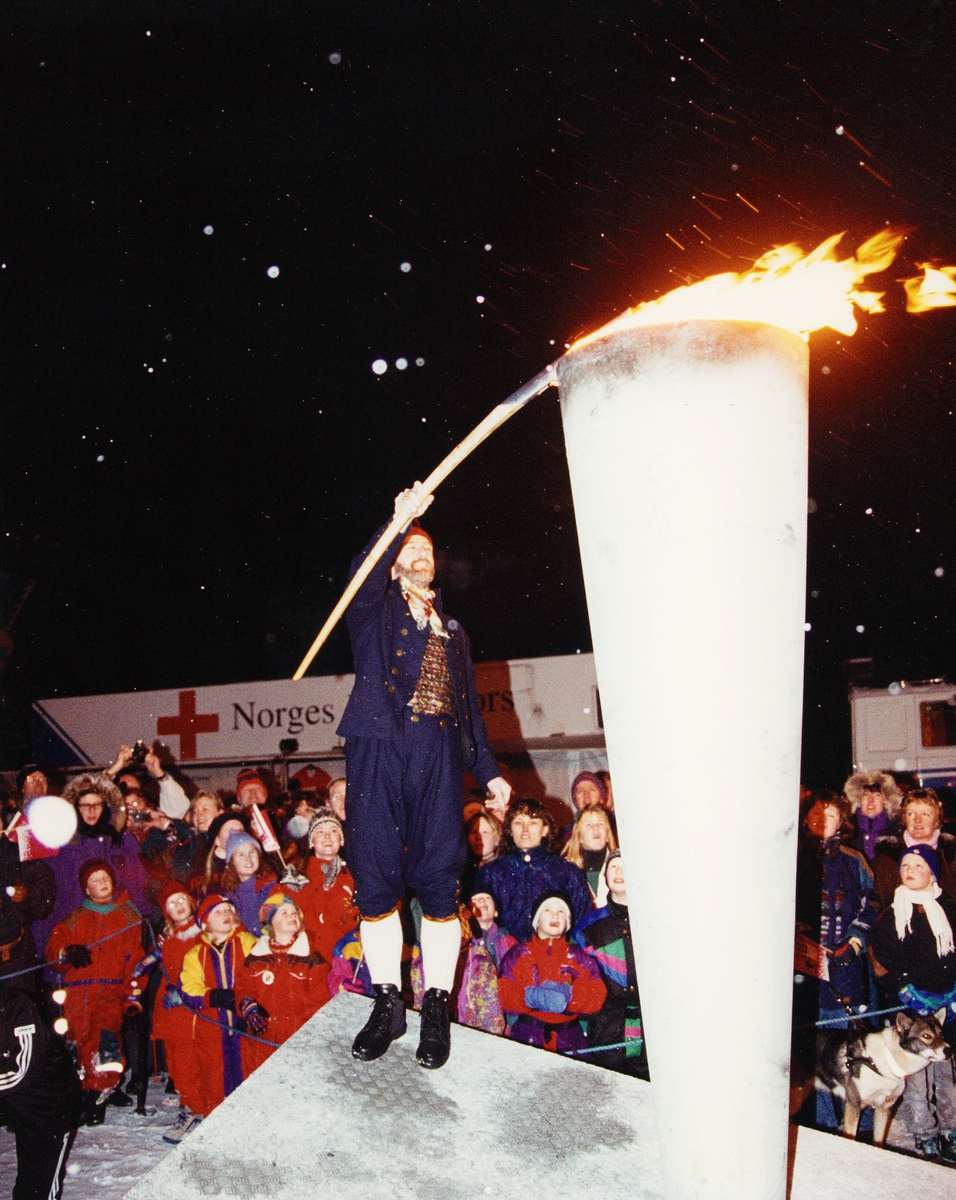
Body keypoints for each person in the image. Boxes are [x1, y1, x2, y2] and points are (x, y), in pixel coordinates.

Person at [336, 483, 512, 1069]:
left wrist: (488, 773)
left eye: (426, 549)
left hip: (437, 753)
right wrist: (397, 521)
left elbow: (467, 715)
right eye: (410, 547)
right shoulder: (374, 612)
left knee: (440, 881)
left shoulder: (454, 633)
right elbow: (363, 577)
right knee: (378, 881)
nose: (420, 554)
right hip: (380, 749)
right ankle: (387, 1003)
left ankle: (436, 1007)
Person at [791, 791, 880, 1129]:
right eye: (816, 815)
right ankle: (825, 1121)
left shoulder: (853, 860)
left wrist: (853, 943)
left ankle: (861, 1118)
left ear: (842, 821)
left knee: (851, 1046)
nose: (822, 822)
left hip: (846, 969)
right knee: (815, 1049)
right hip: (806, 972)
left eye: (830, 816)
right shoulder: (794, 861)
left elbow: (870, 904)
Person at [870, 844, 956, 1160]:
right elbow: (879, 957)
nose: (909, 871)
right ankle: (924, 1133)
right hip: (912, 1009)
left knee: (946, 1074)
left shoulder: (949, 908)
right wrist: (902, 989)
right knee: (917, 1079)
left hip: (947, 1008)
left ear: (931, 872)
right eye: (905, 865)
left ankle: (950, 1130)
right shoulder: (893, 914)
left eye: (917, 866)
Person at [45, 860, 144, 1125]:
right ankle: (87, 1089)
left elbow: (136, 961)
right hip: (79, 993)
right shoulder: (75, 917)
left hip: (110, 992)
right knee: (79, 1041)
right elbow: (54, 950)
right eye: (94, 880)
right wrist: (67, 953)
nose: (101, 883)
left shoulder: (128, 916)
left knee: (106, 1043)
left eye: (105, 878)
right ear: (87, 891)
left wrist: (132, 996)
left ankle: (100, 1094)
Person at [35, 774, 147, 957]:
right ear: (75, 807)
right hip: (72, 928)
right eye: (85, 806)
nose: (92, 811)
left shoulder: (120, 839)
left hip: (113, 929)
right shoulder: (61, 842)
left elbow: (137, 883)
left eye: (97, 805)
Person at [131, 881, 204, 1142]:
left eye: (182, 899)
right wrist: (136, 985)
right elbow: (150, 961)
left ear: (191, 902)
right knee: (175, 1061)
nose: (178, 906)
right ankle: (189, 1107)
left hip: (192, 1006)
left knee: (191, 1059)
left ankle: (197, 1109)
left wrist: (186, 991)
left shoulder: (203, 931)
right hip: (170, 1007)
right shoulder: (167, 937)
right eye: (171, 904)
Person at [178, 894, 257, 1123]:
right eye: (218, 912)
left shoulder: (248, 941)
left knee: (247, 1074)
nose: (225, 915)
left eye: (228, 910)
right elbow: (188, 988)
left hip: (245, 1028)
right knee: (215, 1078)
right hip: (213, 1029)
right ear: (205, 922)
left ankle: (248, 1123)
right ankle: (216, 1123)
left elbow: (258, 974)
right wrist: (215, 996)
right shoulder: (196, 953)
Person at [497, 890, 606, 1053]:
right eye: (547, 910)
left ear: (567, 922)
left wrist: (570, 997)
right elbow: (503, 991)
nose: (555, 916)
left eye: (561, 912)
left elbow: (597, 993)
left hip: (569, 1037)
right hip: (528, 1035)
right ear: (536, 921)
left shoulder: (579, 957)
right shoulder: (519, 954)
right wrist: (529, 997)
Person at [0, 983, 82, 1200]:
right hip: (21, 1107)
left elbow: (21, 1070)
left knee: (41, 1187)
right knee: (26, 1184)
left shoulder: (18, 1005)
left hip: (49, 1108)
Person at [474, 799, 592, 943]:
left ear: (545, 829)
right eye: (518, 822)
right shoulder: (490, 873)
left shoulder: (567, 872)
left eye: (533, 822)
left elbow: (584, 925)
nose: (525, 829)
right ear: (510, 829)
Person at [238, 893, 330, 1077]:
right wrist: (248, 1007)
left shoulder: (312, 959)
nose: (292, 916)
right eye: (284, 913)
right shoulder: (255, 958)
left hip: (297, 1042)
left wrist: (307, 1034)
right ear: (270, 922)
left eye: (295, 913)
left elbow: (319, 1002)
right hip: (261, 1041)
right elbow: (243, 988)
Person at [574, 851, 648, 1078]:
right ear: (604, 876)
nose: (619, 872)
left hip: (649, 1025)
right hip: (607, 1026)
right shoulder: (588, 928)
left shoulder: (654, 921)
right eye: (613, 866)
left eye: (626, 866)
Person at [872, 788, 956, 907]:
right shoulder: (886, 860)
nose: (917, 820)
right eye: (911, 814)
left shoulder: (951, 856)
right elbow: (876, 909)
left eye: (925, 814)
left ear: (937, 819)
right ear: (904, 818)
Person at [296, 809, 359, 965]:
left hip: (341, 957)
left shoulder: (352, 876)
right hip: (306, 959)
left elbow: (348, 922)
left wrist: (332, 889)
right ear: (311, 841)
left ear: (342, 840)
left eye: (333, 831)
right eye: (320, 831)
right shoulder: (300, 875)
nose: (327, 836)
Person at [0, 823, 55, 995]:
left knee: (20, 1015)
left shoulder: (20, 852)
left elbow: (46, 896)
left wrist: (28, 894)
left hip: (15, 958)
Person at [457, 890, 516, 1034]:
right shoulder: (461, 941)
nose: (482, 901)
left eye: (487, 898)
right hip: (468, 1015)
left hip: (502, 1017)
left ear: (496, 912)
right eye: (476, 899)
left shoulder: (510, 943)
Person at [104, 743, 190, 820]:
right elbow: (94, 794)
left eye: (136, 793)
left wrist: (158, 773)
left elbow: (180, 809)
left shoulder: (157, 820)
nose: (130, 797)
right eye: (124, 792)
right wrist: (116, 767)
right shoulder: (109, 823)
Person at [221, 832, 275, 937]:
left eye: (252, 852)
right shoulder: (229, 898)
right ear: (232, 862)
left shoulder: (270, 887)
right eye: (240, 855)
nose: (248, 858)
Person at [562, 805, 617, 908]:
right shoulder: (566, 871)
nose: (596, 827)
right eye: (588, 824)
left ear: (607, 836)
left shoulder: (622, 866)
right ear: (579, 837)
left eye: (601, 823)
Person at [843, 770, 903, 861]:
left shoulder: (897, 828)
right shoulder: (848, 828)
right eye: (865, 795)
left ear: (886, 800)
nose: (871, 800)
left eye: (877, 795)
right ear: (859, 800)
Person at [460, 809, 503, 902]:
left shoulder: (505, 869)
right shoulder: (462, 871)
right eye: (473, 832)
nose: (478, 837)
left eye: (485, 832)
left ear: (497, 838)